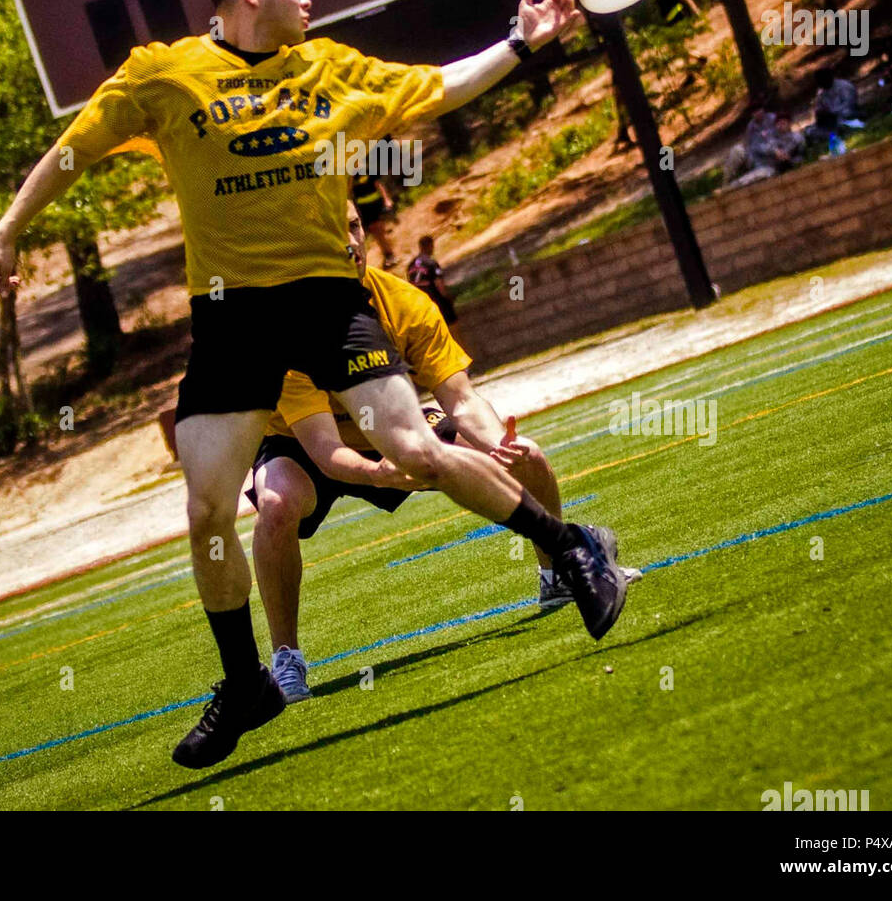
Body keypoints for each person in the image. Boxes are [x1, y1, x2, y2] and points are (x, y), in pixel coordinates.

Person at [0, 0, 631, 770]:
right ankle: (245, 682)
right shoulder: (162, 76)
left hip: (328, 301)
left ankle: (570, 548)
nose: (309, 0)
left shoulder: (328, 68)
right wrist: (6, 235)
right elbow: (74, 149)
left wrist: (520, 41)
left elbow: (437, 86)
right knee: (208, 510)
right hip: (230, 321)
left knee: (416, 447)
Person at [250, 206, 645, 702]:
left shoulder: (404, 303)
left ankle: (558, 574)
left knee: (527, 457)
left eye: (353, 226)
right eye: (331, 231)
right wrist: (379, 473)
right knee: (277, 505)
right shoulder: (286, 326)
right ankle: (287, 660)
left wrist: (494, 441)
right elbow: (325, 450)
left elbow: (458, 398)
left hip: (391, 429)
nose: (349, 242)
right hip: (301, 439)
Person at [406, 232, 463, 344]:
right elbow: (440, 286)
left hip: (422, 306)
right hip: (438, 302)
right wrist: (448, 297)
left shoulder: (411, 265)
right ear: (429, 246)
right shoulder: (431, 263)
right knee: (453, 331)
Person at [350, 172, 398, 268]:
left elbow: (378, 184)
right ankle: (388, 255)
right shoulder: (349, 176)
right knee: (376, 233)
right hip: (364, 208)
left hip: (375, 204)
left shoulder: (368, 169)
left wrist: (386, 200)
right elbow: (350, 192)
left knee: (380, 230)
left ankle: (390, 255)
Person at [722, 105, 778, 187]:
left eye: (759, 110)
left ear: (763, 109)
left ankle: (732, 187)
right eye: (754, 112)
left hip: (768, 161)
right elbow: (748, 143)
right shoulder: (751, 126)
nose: (757, 113)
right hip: (753, 156)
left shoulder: (773, 119)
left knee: (756, 175)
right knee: (736, 150)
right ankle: (726, 181)